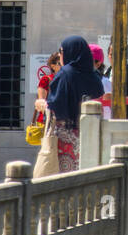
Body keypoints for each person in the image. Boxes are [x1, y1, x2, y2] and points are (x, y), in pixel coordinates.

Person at [44, 36, 105, 170]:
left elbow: (55, 105)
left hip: (67, 137)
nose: (60, 55)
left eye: (61, 51)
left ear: (68, 52)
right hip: (91, 135)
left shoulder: (65, 74)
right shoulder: (95, 77)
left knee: (65, 178)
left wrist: (41, 104)